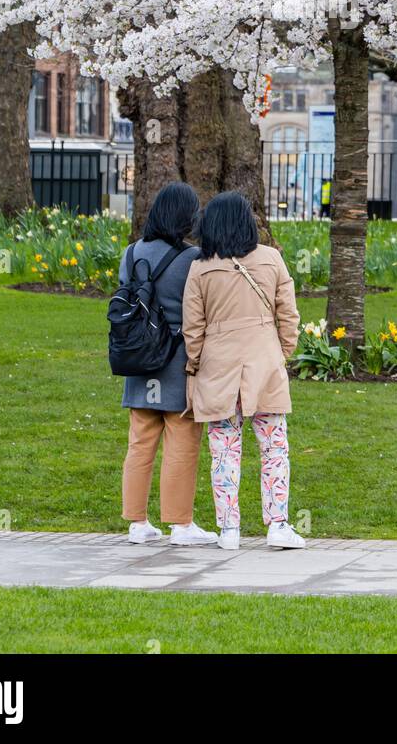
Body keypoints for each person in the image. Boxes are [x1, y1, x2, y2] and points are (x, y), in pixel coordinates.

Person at [182, 191, 304, 551]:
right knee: (274, 447)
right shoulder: (271, 259)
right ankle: (278, 523)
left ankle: (228, 529)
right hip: (264, 363)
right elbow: (289, 317)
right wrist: (279, 353)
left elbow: (193, 327)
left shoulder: (200, 267)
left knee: (223, 450)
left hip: (218, 367)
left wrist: (195, 364)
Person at [120, 182, 218, 547]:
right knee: (182, 442)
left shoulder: (130, 253)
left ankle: (137, 522)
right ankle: (180, 524)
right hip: (177, 359)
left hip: (138, 357)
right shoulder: (192, 259)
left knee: (140, 442)